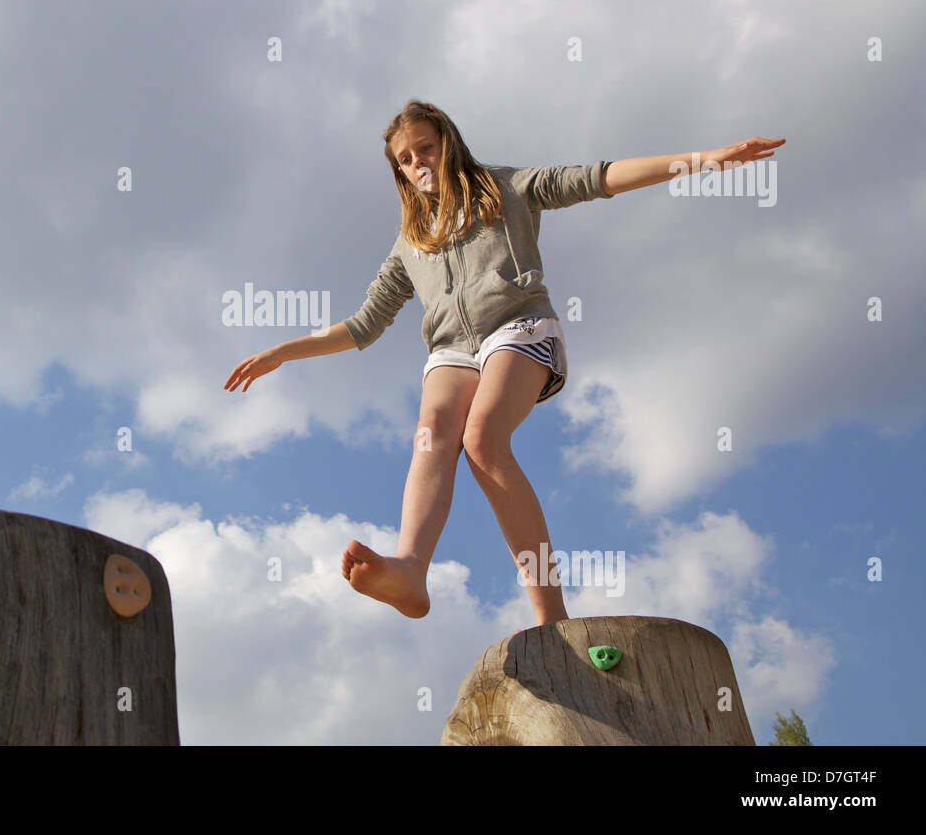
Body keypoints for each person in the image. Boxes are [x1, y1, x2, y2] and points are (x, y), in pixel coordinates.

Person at [224, 99, 783, 628]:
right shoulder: (409, 244)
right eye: (405, 158)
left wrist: (704, 160)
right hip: (452, 349)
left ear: (449, 141)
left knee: (483, 440)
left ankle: (549, 613)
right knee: (433, 431)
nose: (419, 162)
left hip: (519, 326)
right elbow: (363, 324)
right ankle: (412, 569)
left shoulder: (507, 188)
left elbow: (600, 177)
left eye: (426, 147)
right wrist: (282, 351)